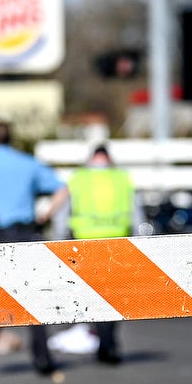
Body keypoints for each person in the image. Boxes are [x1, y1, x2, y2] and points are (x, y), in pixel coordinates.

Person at [0, 120, 68, 377]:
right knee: (31, 298)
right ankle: (43, 359)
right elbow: (61, 190)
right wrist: (46, 215)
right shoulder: (28, 164)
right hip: (26, 233)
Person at [65, 143, 137, 365]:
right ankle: (109, 344)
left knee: (95, 298)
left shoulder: (79, 178)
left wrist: (60, 243)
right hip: (116, 242)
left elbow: (65, 212)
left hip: (85, 243)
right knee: (113, 297)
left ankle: (105, 343)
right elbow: (136, 211)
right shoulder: (122, 178)